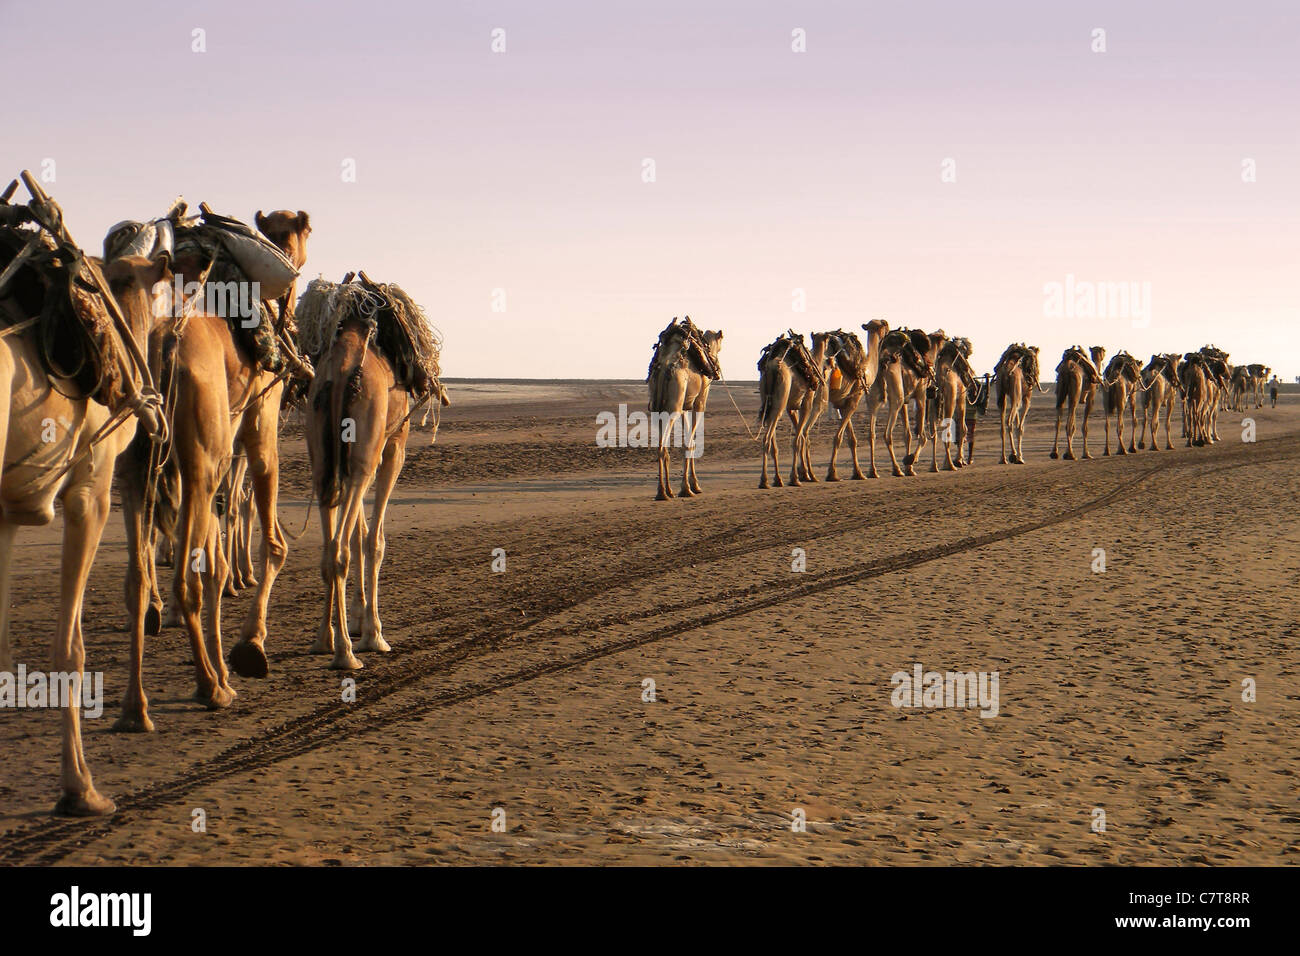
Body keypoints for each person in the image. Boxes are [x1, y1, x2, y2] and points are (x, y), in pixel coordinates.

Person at [964, 373, 990, 464]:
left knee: (967, 436)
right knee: (967, 436)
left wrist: (987, 381)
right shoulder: (975, 385)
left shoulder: (975, 385)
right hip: (967, 414)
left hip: (968, 414)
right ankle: (967, 457)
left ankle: (968, 457)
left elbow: (984, 394)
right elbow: (985, 394)